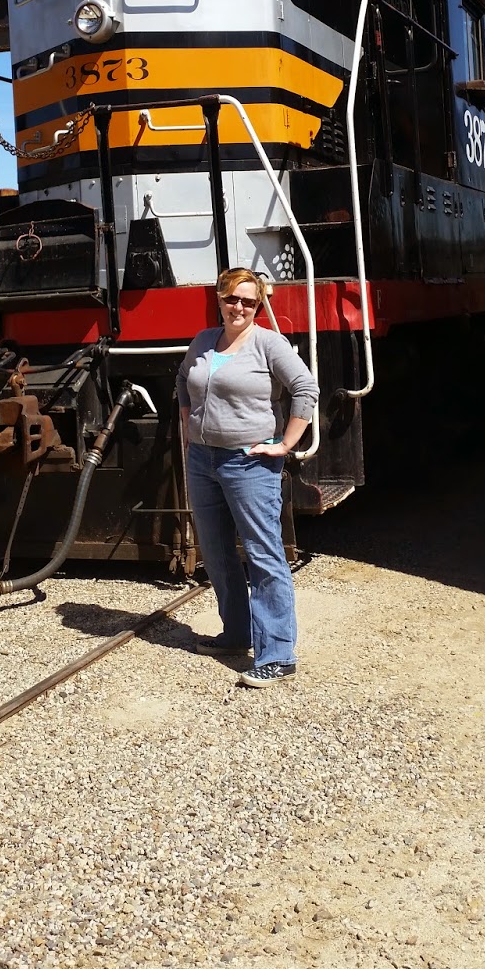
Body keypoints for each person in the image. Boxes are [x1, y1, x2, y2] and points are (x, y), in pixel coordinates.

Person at [176, 267, 319, 687]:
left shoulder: (267, 343)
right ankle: (236, 634)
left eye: (248, 301)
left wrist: (285, 444)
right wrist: (189, 427)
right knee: (217, 553)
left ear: (259, 306)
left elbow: (305, 388)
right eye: (231, 298)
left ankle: (278, 653)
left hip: (248, 463)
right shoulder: (204, 341)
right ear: (218, 299)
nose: (238, 307)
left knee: (263, 555)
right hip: (203, 461)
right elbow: (184, 380)